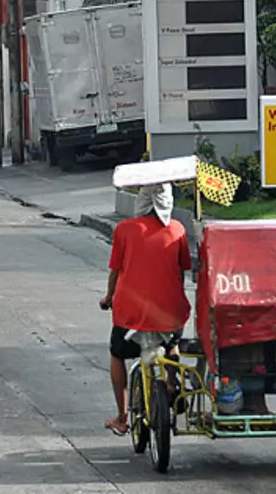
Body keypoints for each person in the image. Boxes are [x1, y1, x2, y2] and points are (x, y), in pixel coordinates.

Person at [100, 183, 191, 436]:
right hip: (170, 312)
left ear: (141, 201)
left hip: (131, 314)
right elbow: (181, 272)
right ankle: (172, 385)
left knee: (117, 354)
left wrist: (108, 298)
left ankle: (121, 416)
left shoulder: (125, 230)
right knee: (172, 342)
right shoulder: (178, 230)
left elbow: (115, 273)